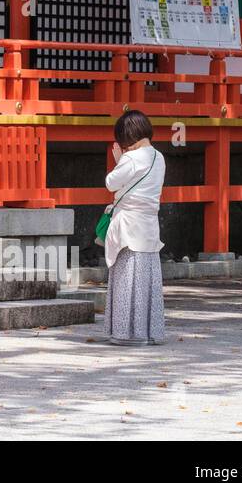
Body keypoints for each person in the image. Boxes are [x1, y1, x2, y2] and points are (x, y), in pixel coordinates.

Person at [103, 109, 166, 345]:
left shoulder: (131, 158)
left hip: (128, 225)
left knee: (126, 276)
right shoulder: (159, 157)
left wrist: (119, 159)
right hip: (149, 224)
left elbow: (111, 184)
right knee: (146, 278)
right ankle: (148, 332)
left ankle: (125, 332)